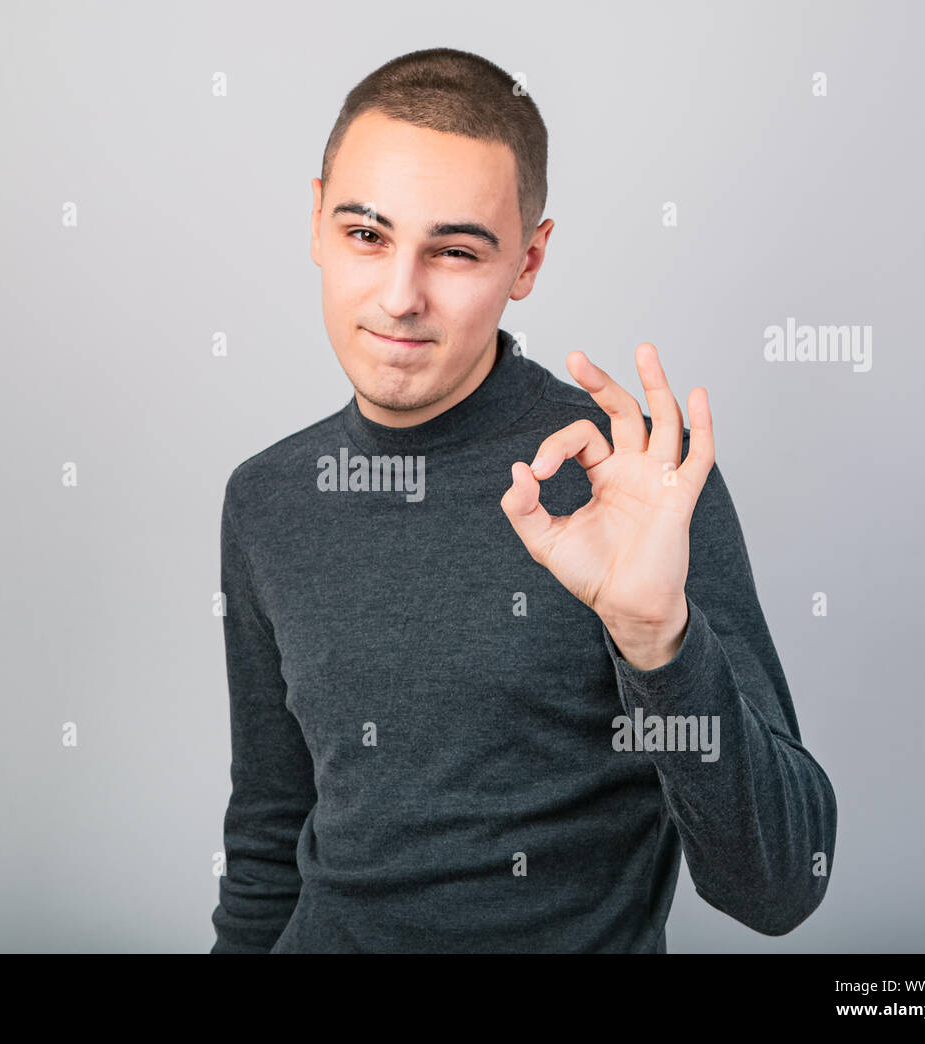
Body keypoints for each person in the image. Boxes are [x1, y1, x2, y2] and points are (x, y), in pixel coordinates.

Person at [210, 46, 837, 953]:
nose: (399, 296)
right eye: (365, 235)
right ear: (315, 222)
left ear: (528, 260)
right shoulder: (265, 498)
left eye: (454, 251)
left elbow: (780, 886)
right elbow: (269, 836)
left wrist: (655, 637)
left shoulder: (633, 482)